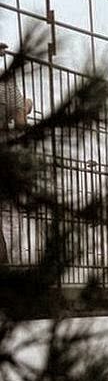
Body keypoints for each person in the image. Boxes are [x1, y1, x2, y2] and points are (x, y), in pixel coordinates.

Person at [0, 74, 33, 265]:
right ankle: (13, 268)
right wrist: (27, 105)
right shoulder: (8, 84)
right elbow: (20, 122)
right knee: (10, 218)